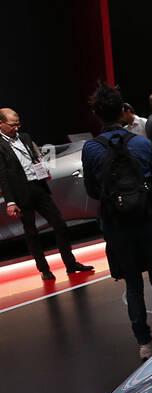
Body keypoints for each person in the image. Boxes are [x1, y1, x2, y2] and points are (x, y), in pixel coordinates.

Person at [81, 83, 152, 358]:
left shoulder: (90, 149)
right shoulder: (141, 143)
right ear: (122, 110)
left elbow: (91, 190)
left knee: (133, 285)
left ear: (97, 115)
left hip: (116, 226)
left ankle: (145, 343)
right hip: (148, 221)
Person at [0, 109, 95, 280]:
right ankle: (44, 269)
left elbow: (36, 157)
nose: (16, 128)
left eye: (18, 124)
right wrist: (10, 202)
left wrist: (43, 170)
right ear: (1, 124)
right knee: (31, 233)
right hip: (20, 193)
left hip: (38, 187)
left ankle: (70, 264)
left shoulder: (25, 137)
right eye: (13, 125)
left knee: (60, 224)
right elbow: (3, 177)